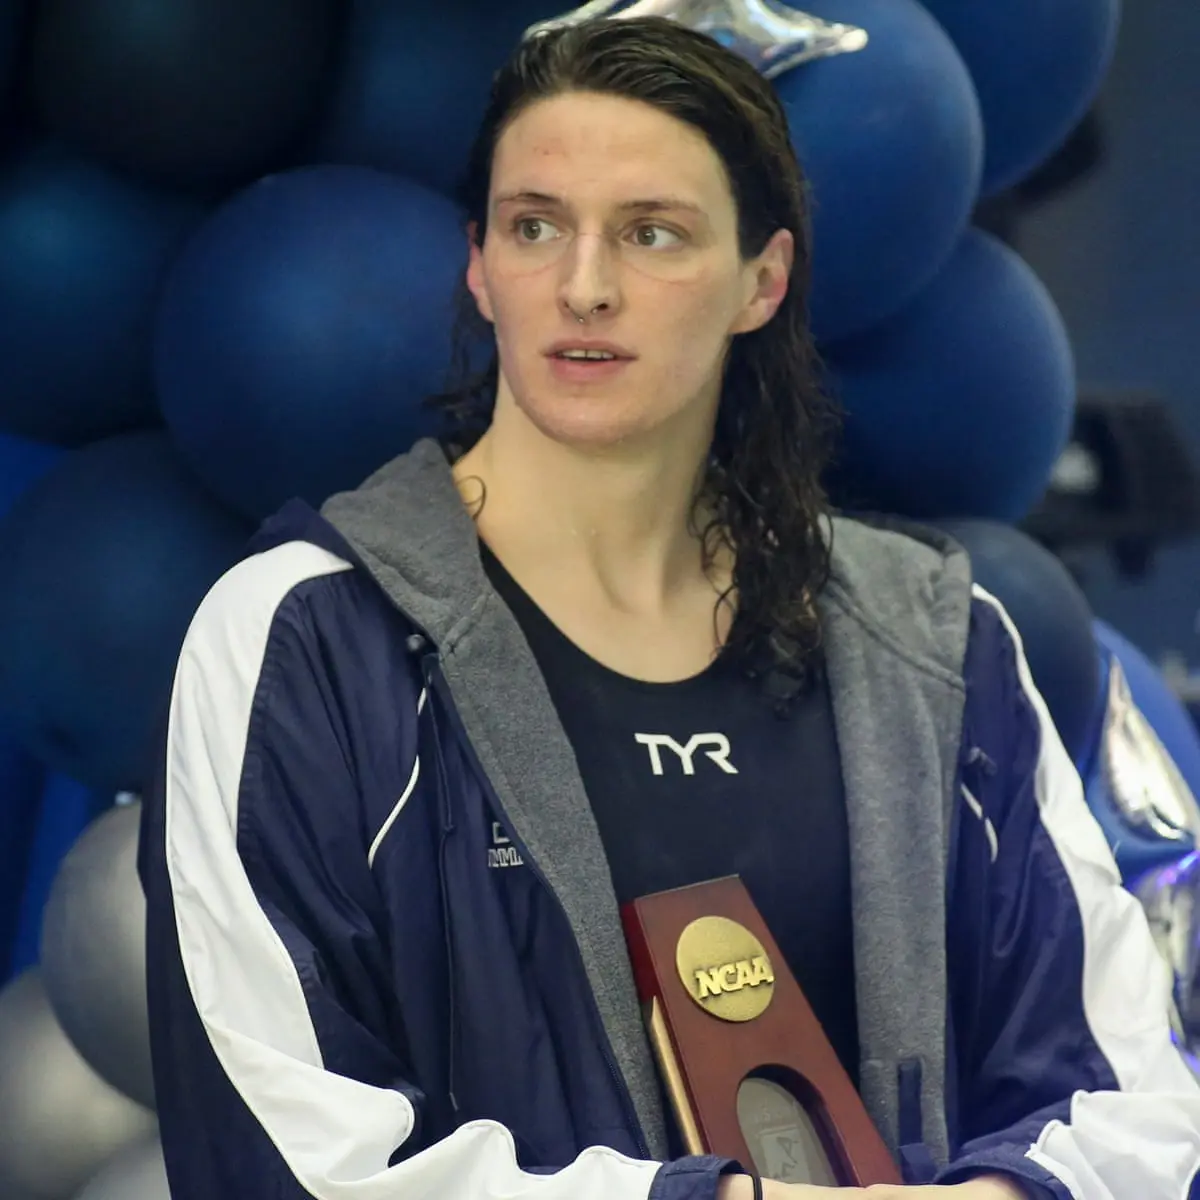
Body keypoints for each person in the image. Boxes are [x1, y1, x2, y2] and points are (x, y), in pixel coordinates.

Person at [139, 15, 1200, 1200]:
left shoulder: (935, 644)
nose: (584, 288)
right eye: (535, 226)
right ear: (479, 266)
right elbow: (284, 1155)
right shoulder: (303, 639)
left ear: (762, 280)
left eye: (652, 233)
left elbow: (1131, 1101)